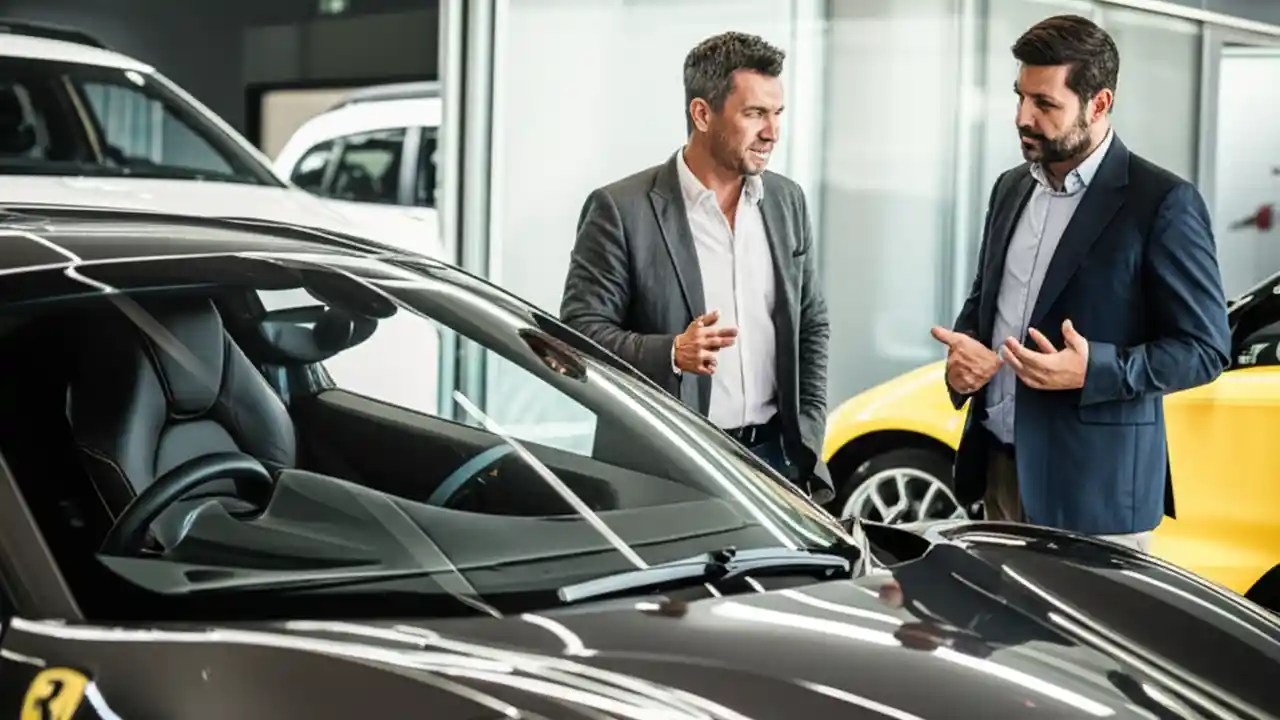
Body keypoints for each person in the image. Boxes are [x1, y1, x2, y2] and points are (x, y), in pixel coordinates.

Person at [931, 14, 1230, 552]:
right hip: (999, 473)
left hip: (1096, 491)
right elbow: (986, 304)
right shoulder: (1009, 189)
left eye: (1044, 104)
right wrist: (964, 360)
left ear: (1099, 103)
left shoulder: (1161, 203)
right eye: (1020, 97)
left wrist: (1093, 370)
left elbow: (1205, 350)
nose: (1023, 117)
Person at [559, 31, 833, 504]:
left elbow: (811, 323)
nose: (772, 132)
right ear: (703, 114)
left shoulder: (786, 201)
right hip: (665, 466)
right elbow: (578, 336)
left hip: (774, 463)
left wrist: (808, 427)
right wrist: (671, 353)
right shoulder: (621, 210)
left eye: (777, 113)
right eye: (755, 114)